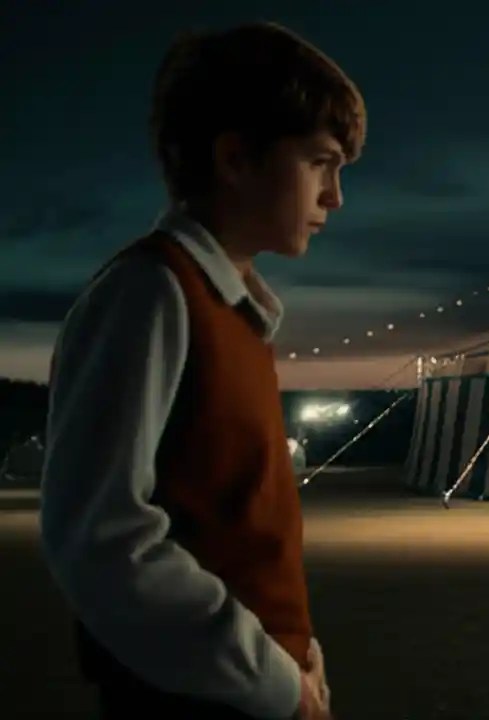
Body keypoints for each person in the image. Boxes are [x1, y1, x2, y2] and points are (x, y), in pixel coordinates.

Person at [39, 21, 365, 719]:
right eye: (319, 162)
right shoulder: (151, 293)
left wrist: (301, 660)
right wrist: (272, 680)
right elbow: (105, 538)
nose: (335, 196)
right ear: (236, 158)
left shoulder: (230, 311)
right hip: (188, 697)